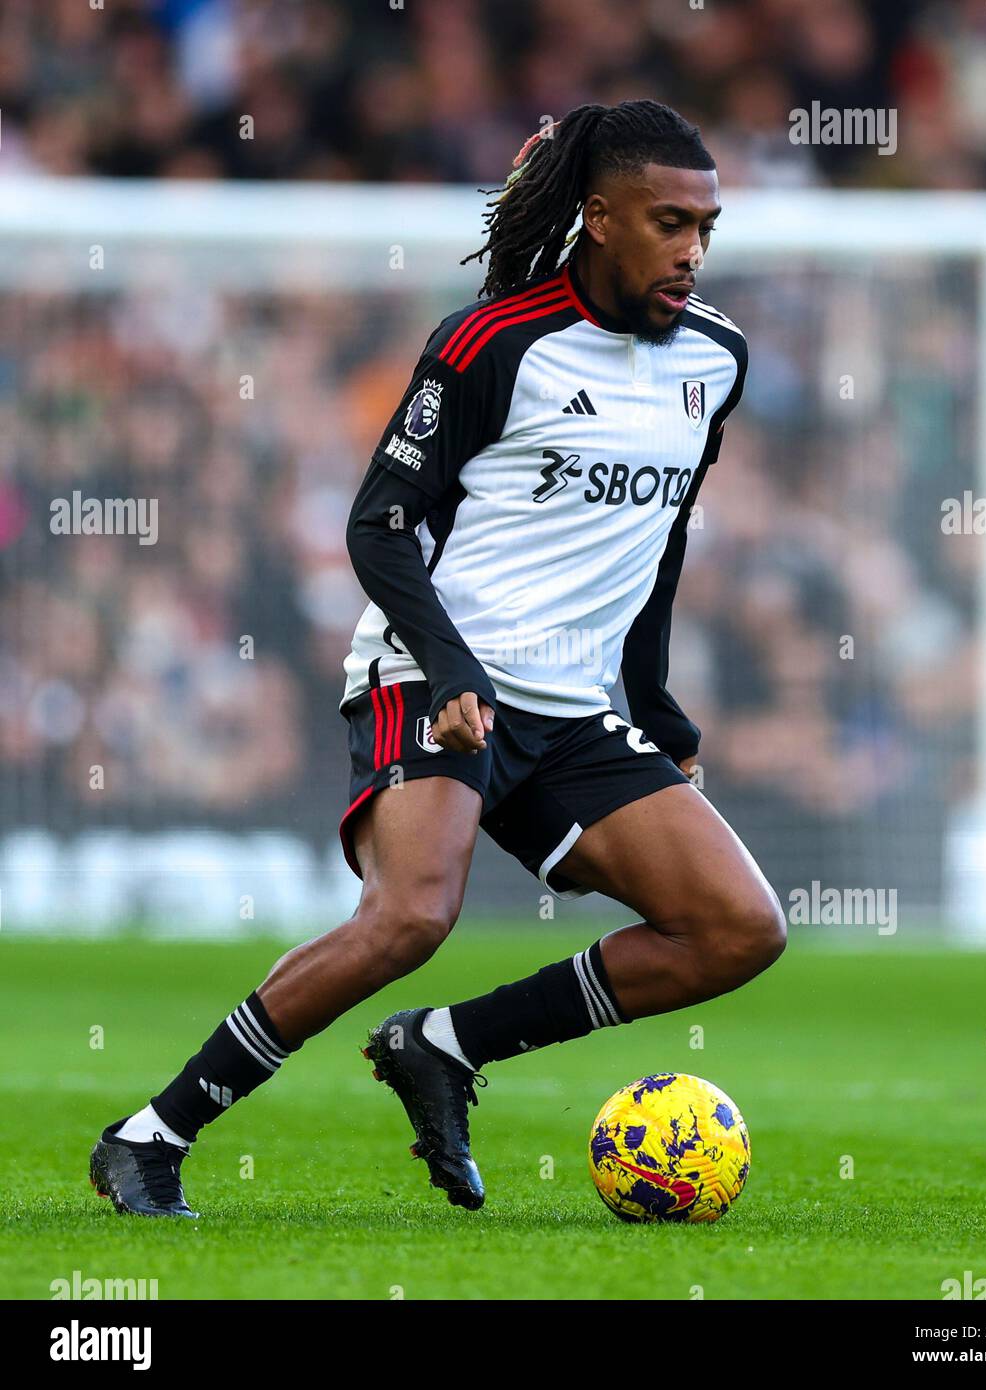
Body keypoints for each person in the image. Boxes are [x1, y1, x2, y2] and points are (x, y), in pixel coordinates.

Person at [89, 99, 785, 1218]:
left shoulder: (715, 361)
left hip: (564, 707)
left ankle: (444, 1047)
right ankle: (150, 1134)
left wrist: (653, 706)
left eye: (706, 227)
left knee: (736, 928)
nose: (693, 251)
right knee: (410, 916)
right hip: (429, 670)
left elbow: (657, 546)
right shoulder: (492, 342)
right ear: (598, 219)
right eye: (668, 224)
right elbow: (376, 522)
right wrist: (453, 668)